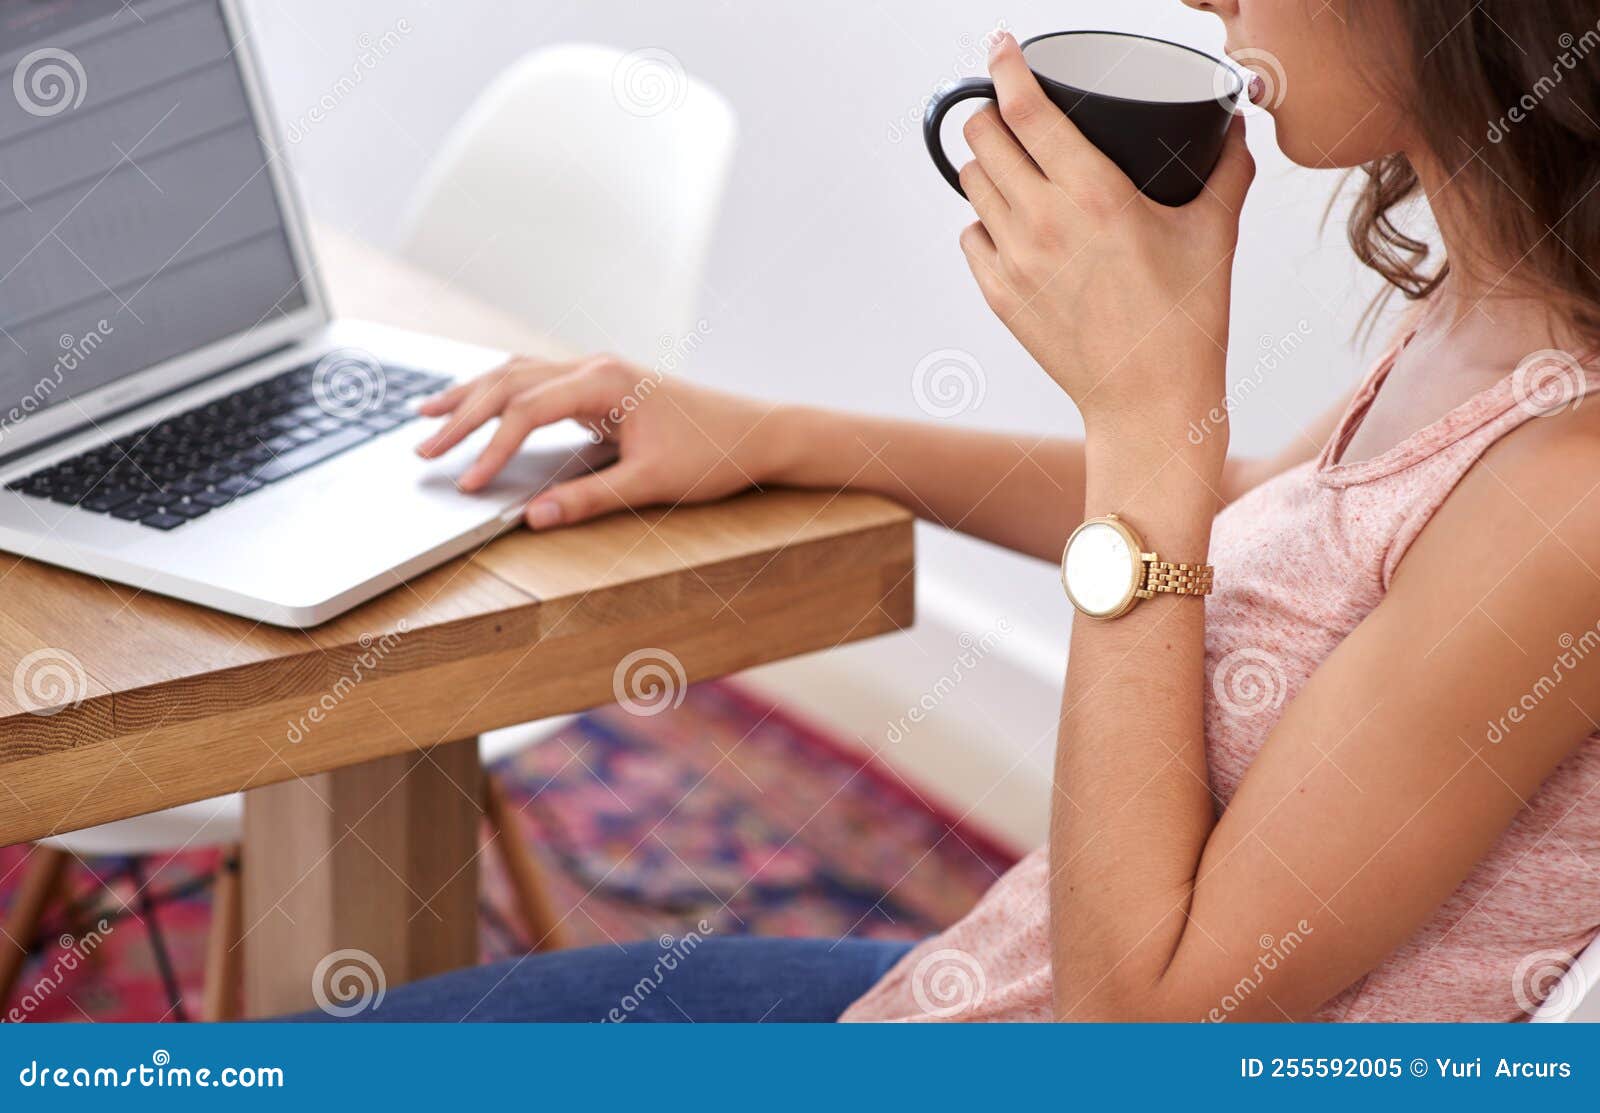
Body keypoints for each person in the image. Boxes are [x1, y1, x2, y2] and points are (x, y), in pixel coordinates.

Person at [345, 1, 1600, 1021]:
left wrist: (1145, 413)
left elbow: (1139, 1032)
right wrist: (771, 437)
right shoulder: (1497, 313)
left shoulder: (1570, 493)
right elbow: (1259, 525)